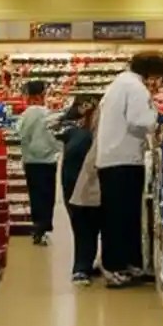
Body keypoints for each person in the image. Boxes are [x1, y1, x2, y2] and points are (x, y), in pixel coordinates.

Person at [94, 51, 163, 288]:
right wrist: (159, 117)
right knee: (120, 217)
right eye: (158, 76)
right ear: (150, 71)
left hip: (112, 157)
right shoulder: (136, 88)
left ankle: (128, 264)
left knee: (121, 215)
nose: (158, 82)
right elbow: (142, 120)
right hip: (123, 158)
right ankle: (116, 267)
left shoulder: (119, 83)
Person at [59, 96, 102, 286]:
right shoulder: (85, 137)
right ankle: (81, 269)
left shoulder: (75, 132)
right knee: (86, 227)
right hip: (79, 189)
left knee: (85, 228)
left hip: (74, 188)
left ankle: (85, 265)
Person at [16, 81, 59, 245]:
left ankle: (37, 226)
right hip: (48, 161)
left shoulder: (25, 115)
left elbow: (20, 134)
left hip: (31, 161)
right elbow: (56, 139)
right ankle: (44, 225)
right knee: (48, 195)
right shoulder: (49, 115)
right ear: (41, 96)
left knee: (35, 195)